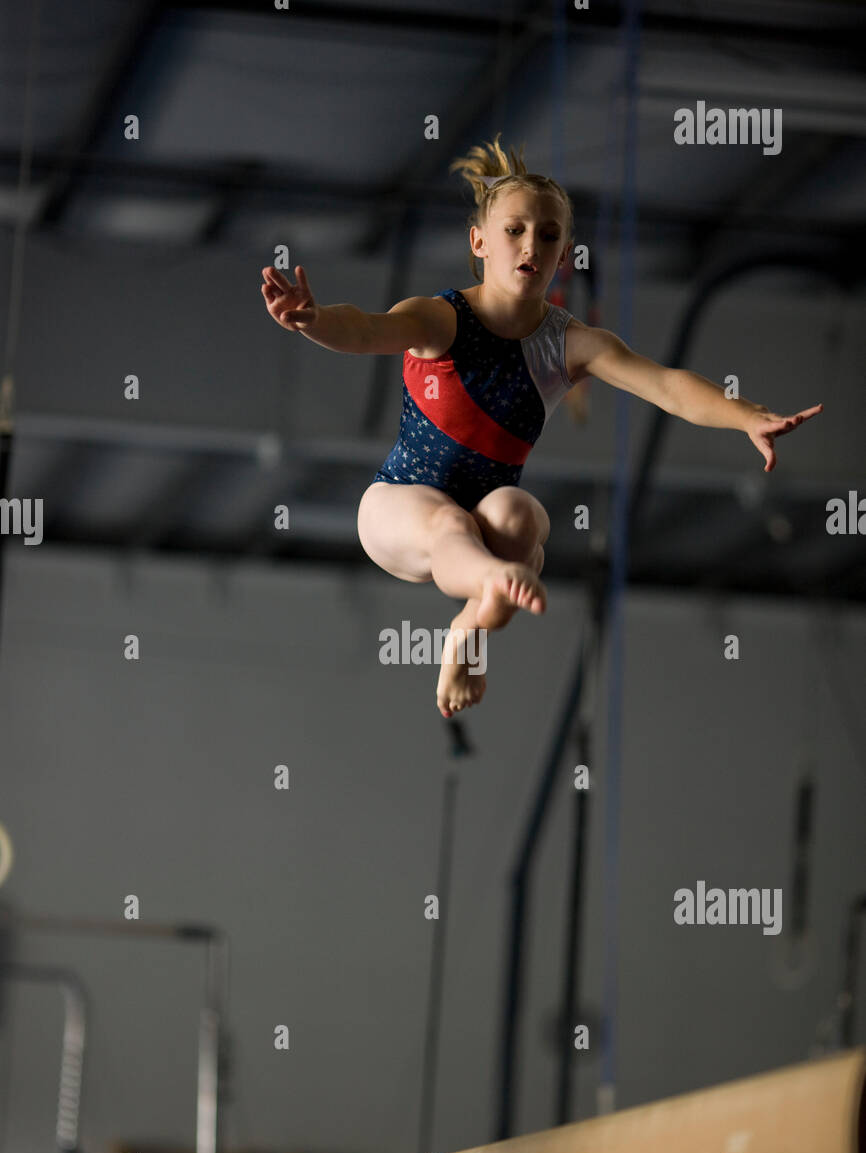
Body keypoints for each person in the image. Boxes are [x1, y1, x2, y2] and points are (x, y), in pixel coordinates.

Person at [261, 134, 822, 718]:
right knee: (461, 529)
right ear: (479, 242)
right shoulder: (439, 317)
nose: (532, 244)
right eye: (515, 230)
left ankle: (469, 628)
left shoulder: (571, 344)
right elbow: (364, 329)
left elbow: (666, 385)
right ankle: (490, 585)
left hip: (485, 527)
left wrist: (746, 416)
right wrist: (313, 319)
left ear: (565, 255)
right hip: (396, 507)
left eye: (549, 236)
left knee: (521, 515)